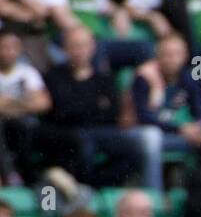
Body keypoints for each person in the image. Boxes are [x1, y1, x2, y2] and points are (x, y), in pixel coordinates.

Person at [36, 26, 156, 188]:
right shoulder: (53, 76)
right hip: (66, 133)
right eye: (74, 45)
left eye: (83, 45)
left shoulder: (105, 79)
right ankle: (83, 186)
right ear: (65, 49)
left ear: (92, 47)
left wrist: (82, 106)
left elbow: (112, 113)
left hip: (101, 131)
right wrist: (94, 106)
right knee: (82, 144)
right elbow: (62, 111)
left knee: (134, 150)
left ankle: (97, 185)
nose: (79, 51)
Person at [37, 0, 153, 70]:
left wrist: (119, 13)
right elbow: (60, 16)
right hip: (68, 39)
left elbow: (106, 6)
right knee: (92, 50)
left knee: (143, 49)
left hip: (98, 39)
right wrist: (86, 36)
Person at [131, 32, 201, 174]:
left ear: (185, 56)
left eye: (176, 54)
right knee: (151, 140)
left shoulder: (188, 78)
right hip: (154, 134)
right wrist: (180, 129)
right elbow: (144, 117)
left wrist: (199, 126)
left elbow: (200, 108)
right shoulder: (145, 78)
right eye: (166, 54)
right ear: (157, 55)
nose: (171, 59)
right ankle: (155, 192)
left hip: (183, 135)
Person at [0, 27, 48, 183]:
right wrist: (25, 103)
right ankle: (9, 174)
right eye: (4, 47)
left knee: (26, 127)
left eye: (12, 47)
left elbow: (42, 103)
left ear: (19, 49)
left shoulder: (28, 72)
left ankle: (28, 175)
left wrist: (11, 103)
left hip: (24, 124)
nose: (8, 52)